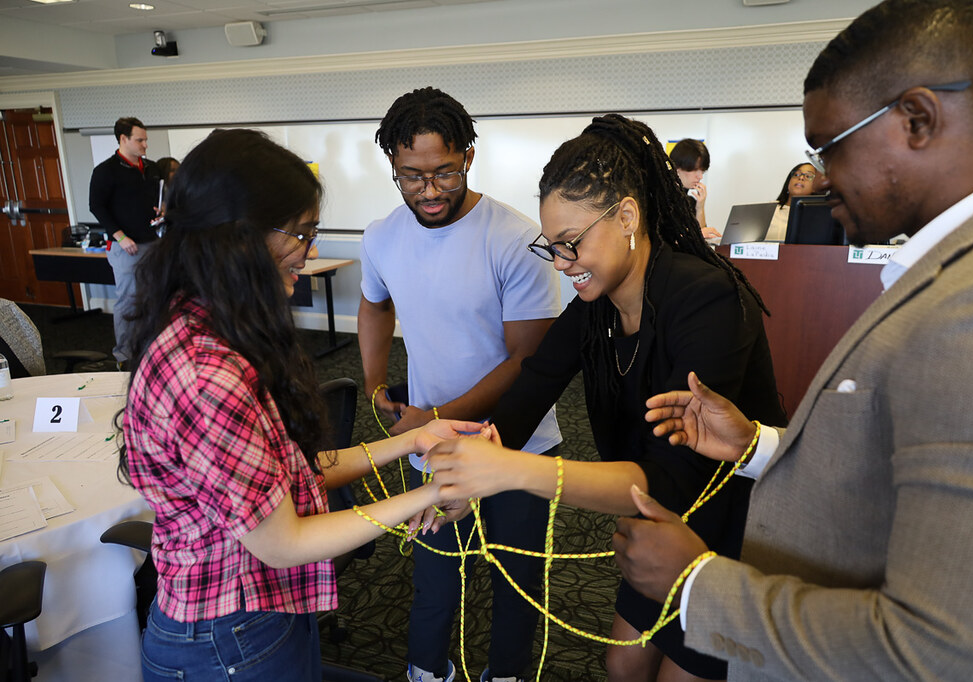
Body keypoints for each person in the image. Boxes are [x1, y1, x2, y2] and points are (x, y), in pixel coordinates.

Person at [612, 1, 973, 680]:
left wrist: (697, 585)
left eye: (830, 147)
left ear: (917, 119)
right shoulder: (963, 267)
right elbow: (890, 468)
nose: (822, 180)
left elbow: (947, 649)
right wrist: (757, 445)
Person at [426, 114, 787, 682]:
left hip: (735, 521)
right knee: (623, 664)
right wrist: (473, 464)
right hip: (661, 513)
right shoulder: (596, 308)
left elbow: (676, 478)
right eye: (553, 248)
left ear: (626, 217)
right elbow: (534, 384)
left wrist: (510, 471)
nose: (562, 263)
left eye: (572, 244)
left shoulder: (706, 300)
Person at [117, 128, 483, 681]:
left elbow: (288, 474)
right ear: (241, 236)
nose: (309, 252)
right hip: (228, 639)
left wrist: (412, 440)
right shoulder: (208, 374)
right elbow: (283, 542)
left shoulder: (219, 328)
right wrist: (432, 493)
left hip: (251, 617)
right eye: (302, 234)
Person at [357, 87, 562, 682]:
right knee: (436, 572)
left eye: (444, 172)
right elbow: (375, 305)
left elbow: (527, 359)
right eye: (411, 176)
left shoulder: (515, 238)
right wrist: (375, 384)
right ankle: (426, 671)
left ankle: (509, 673)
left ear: (469, 156)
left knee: (516, 577)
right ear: (393, 165)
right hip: (434, 445)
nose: (428, 191)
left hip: (519, 443)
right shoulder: (382, 236)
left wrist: (435, 414)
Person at [88, 116, 162, 367]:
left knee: (154, 298)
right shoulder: (105, 171)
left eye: (145, 140)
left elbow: (159, 198)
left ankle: (151, 349)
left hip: (153, 242)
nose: (145, 145)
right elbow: (96, 206)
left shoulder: (152, 168)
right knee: (129, 301)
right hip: (126, 247)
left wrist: (161, 209)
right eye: (140, 140)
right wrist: (120, 236)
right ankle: (125, 356)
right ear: (123, 139)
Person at [668, 139, 721, 240]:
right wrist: (695, 235)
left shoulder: (689, 201)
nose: (700, 176)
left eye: (702, 171)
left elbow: (702, 239)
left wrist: (700, 208)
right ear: (677, 168)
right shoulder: (662, 198)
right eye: (695, 170)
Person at [763, 162, 817, 241]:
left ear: (816, 187)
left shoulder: (818, 218)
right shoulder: (769, 210)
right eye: (796, 174)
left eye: (808, 176)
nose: (801, 178)